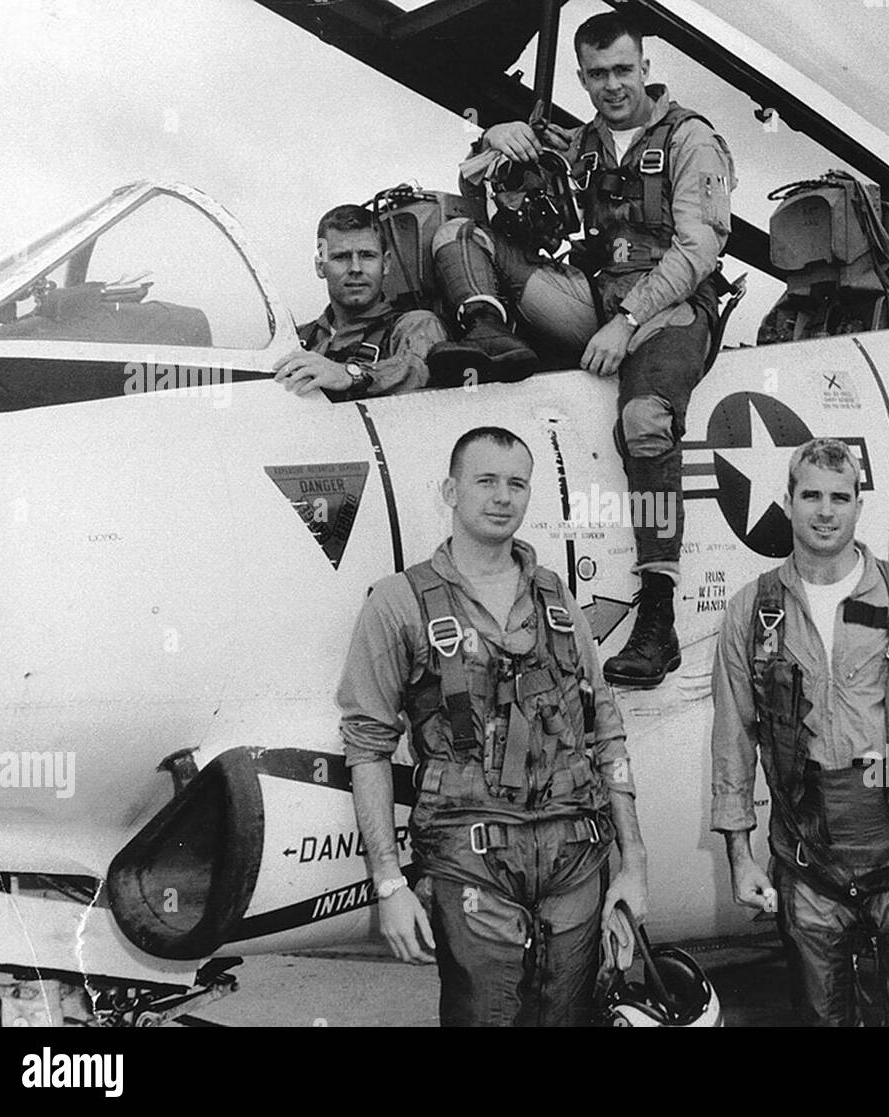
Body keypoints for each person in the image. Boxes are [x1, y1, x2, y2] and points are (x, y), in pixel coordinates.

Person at [426, 10, 736, 689]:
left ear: (646, 68)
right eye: (597, 75)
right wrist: (494, 137)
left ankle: (659, 616)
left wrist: (626, 321)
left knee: (644, 419)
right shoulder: (582, 143)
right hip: (595, 298)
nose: (611, 85)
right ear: (582, 77)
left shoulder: (691, 141)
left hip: (671, 306)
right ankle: (490, 336)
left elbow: (701, 248)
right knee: (456, 235)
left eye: (623, 70)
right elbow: (481, 183)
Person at [338, 426, 649, 1027]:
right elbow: (367, 747)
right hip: (470, 863)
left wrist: (633, 863)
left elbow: (605, 728)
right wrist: (387, 884)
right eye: (486, 481)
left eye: (516, 484)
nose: (503, 497)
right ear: (450, 491)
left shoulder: (557, 599)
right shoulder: (400, 604)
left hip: (575, 861)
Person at [711, 438, 889, 1026]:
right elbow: (734, 737)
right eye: (810, 495)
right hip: (807, 856)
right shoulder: (752, 611)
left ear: (859, 507)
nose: (824, 510)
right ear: (787, 503)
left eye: (839, 497)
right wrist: (739, 855)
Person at [274, 204, 447, 397]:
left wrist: (350, 375)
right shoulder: (297, 340)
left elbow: (416, 367)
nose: (355, 268)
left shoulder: (414, 325)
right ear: (321, 266)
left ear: (386, 264)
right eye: (341, 257)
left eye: (367, 256)